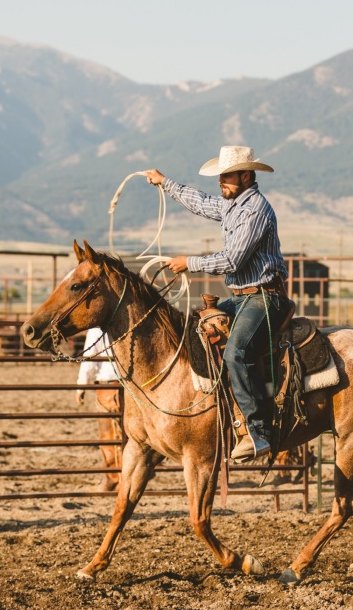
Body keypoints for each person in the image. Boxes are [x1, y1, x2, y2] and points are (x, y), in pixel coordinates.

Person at [143, 146, 290, 463]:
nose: (221, 181)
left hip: (264, 297)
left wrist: (189, 262)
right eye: (220, 175)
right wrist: (164, 182)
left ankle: (257, 431)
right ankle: (211, 416)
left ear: (246, 175)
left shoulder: (255, 211)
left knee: (237, 351)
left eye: (226, 175)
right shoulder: (233, 206)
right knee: (197, 328)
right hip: (242, 296)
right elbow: (201, 203)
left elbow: (233, 260)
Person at [75, 326, 122, 491]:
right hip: (130, 385)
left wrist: (81, 386)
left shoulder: (96, 331)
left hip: (108, 386)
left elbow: (89, 362)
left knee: (109, 435)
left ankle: (114, 478)